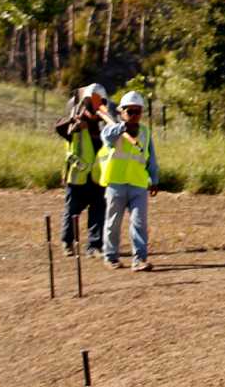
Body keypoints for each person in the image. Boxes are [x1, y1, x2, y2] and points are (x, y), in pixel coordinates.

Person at [97, 91, 158, 271]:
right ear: (122, 112)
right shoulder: (111, 130)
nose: (134, 116)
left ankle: (139, 260)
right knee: (113, 223)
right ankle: (111, 257)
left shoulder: (145, 132)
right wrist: (121, 128)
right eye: (130, 112)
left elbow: (151, 158)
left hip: (138, 184)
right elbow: (106, 138)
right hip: (116, 183)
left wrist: (154, 179)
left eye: (137, 112)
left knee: (139, 223)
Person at [54, 84, 108, 257]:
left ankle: (94, 246)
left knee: (98, 212)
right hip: (77, 178)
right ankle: (67, 243)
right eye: (91, 103)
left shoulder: (105, 129)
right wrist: (74, 121)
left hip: (98, 178)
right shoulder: (74, 127)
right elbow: (59, 127)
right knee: (71, 212)